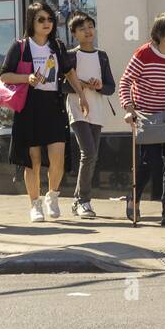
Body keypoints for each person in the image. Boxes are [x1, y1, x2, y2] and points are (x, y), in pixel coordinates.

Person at [0, 1, 79, 223]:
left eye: (50, 19)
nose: (47, 23)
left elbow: (69, 72)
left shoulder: (58, 46)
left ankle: (52, 196)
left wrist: (81, 95)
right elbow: (5, 75)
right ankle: (34, 204)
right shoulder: (21, 46)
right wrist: (27, 78)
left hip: (53, 106)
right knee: (32, 160)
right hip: (29, 107)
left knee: (58, 158)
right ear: (31, 22)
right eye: (41, 19)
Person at [119, 13, 165, 227]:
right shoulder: (144, 53)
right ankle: (134, 197)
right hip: (147, 117)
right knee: (150, 162)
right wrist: (129, 108)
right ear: (159, 31)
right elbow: (125, 81)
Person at [65, 13, 115, 220]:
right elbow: (63, 85)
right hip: (77, 108)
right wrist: (84, 84)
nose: (88, 31)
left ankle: (79, 199)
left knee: (92, 155)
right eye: (82, 28)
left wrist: (100, 85)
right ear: (74, 34)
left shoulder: (102, 55)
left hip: (96, 109)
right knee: (89, 152)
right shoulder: (71, 56)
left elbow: (111, 87)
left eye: (90, 26)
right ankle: (83, 200)